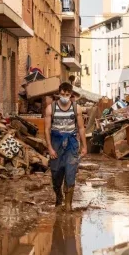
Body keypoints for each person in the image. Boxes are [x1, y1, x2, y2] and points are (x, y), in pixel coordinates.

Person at [44, 82, 87, 211]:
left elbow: (80, 128)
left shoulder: (76, 108)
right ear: (59, 93)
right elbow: (46, 130)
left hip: (71, 143)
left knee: (70, 172)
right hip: (56, 142)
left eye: (67, 95)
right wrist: (50, 148)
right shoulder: (51, 108)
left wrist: (84, 146)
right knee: (56, 174)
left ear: (71, 95)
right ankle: (59, 196)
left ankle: (68, 205)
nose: (64, 97)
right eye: (62, 94)